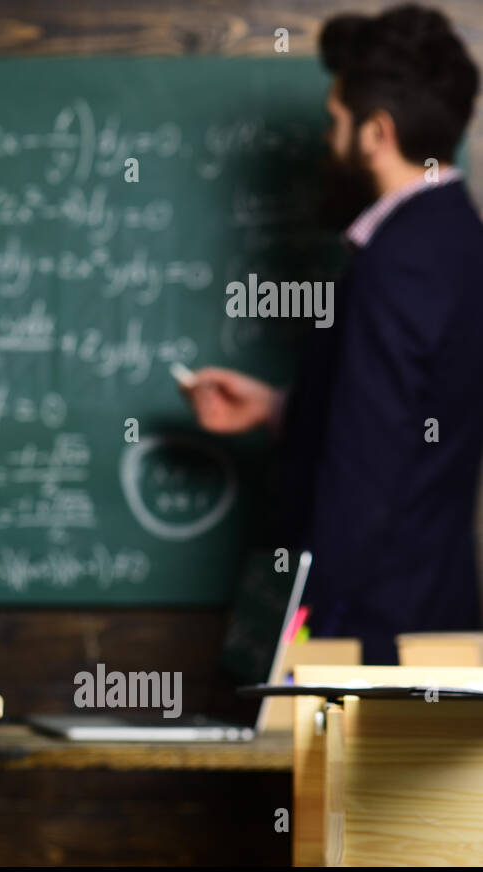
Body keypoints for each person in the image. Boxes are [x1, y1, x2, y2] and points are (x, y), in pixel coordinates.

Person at [181, 5, 483, 664]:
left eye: (336, 123)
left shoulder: (396, 262)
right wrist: (280, 409)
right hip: (432, 626)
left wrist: (298, 647)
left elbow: (363, 481)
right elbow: (403, 425)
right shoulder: (461, 241)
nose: (327, 140)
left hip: (371, 647)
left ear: (377, 133)